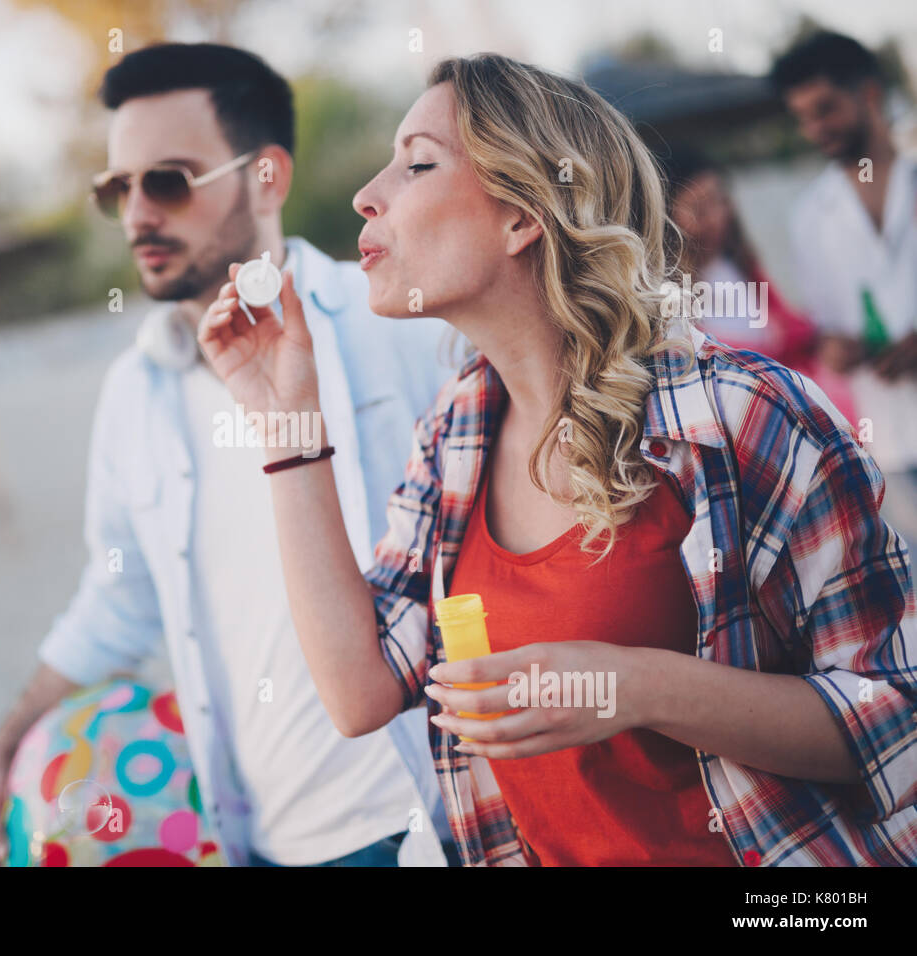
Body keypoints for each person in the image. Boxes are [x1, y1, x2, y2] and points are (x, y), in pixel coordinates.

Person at [197, 52, 917, 866]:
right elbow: (359, 691)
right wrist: (288, 418)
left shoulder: (740, 414)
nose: (368, 193)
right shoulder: (453, 438)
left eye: (418, 162)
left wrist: (627, 686)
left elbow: (894, 716)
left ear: (522, 216)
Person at [0, 42, 460, 867]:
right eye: (115, 188)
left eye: (166, 180)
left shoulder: (406, 319)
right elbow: (120, 594)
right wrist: (12, 733)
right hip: (254, 841)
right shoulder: (135, 391)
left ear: (266, 176)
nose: (137, 214)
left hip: (428, 817)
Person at [773, 31, 917, 549]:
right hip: (894, 439)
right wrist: (837, 347)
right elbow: (826, 329)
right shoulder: (810, 217)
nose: (815, 128)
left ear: (870, 95)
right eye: (804, 116)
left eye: (826, 109)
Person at [658, 145, 857, 423]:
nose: (716, 218)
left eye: (720, 201)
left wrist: (822, 338)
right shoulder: (668, 300)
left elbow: (786, 330)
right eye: (700, 210)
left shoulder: (742, 265)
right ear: (667, 219)